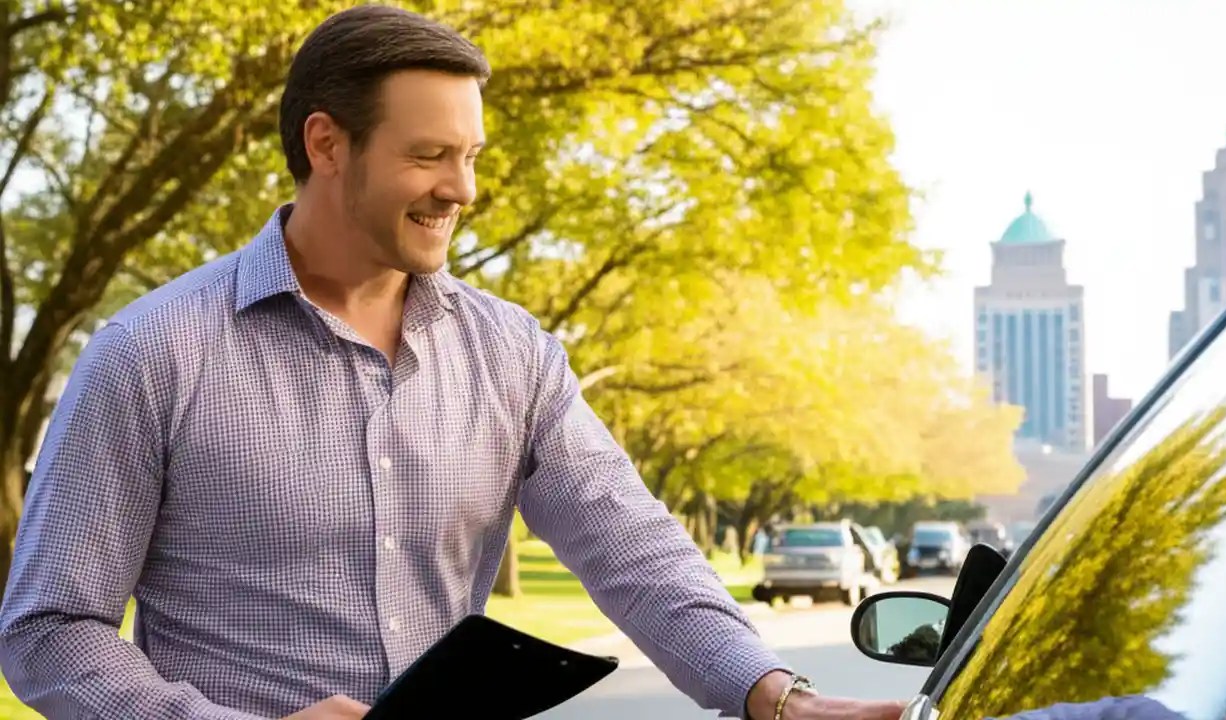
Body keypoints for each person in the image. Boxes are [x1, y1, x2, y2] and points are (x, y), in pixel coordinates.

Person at [0, 6, 906, 720]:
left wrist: (776, 695)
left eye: (468, 157)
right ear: (326, 145)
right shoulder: (151, 354)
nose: (462, 190)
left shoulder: (512, 353)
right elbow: (48, 630)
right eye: (429, 155)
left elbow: (635, 547)